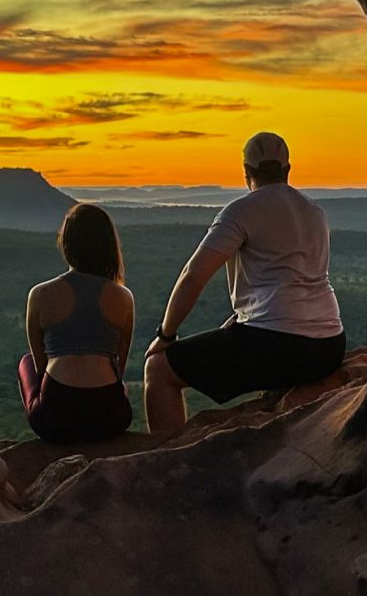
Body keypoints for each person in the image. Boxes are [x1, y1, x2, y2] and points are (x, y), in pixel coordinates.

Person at [143, 132, 346, 433]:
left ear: (246, 172)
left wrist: (166, 334)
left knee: (159, 369)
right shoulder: (314, 211)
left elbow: (193, 275)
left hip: (278, 345)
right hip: (330, 345)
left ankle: (166, 453)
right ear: (288, 169)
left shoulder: (242, 211)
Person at [18, 204, 135, 442]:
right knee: (117, 382)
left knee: (26, 362)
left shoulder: (40, 294)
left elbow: (41, 366)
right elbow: (119, 366)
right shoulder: (124, 297)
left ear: (66, 244)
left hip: (54, 420)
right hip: (111, 417)